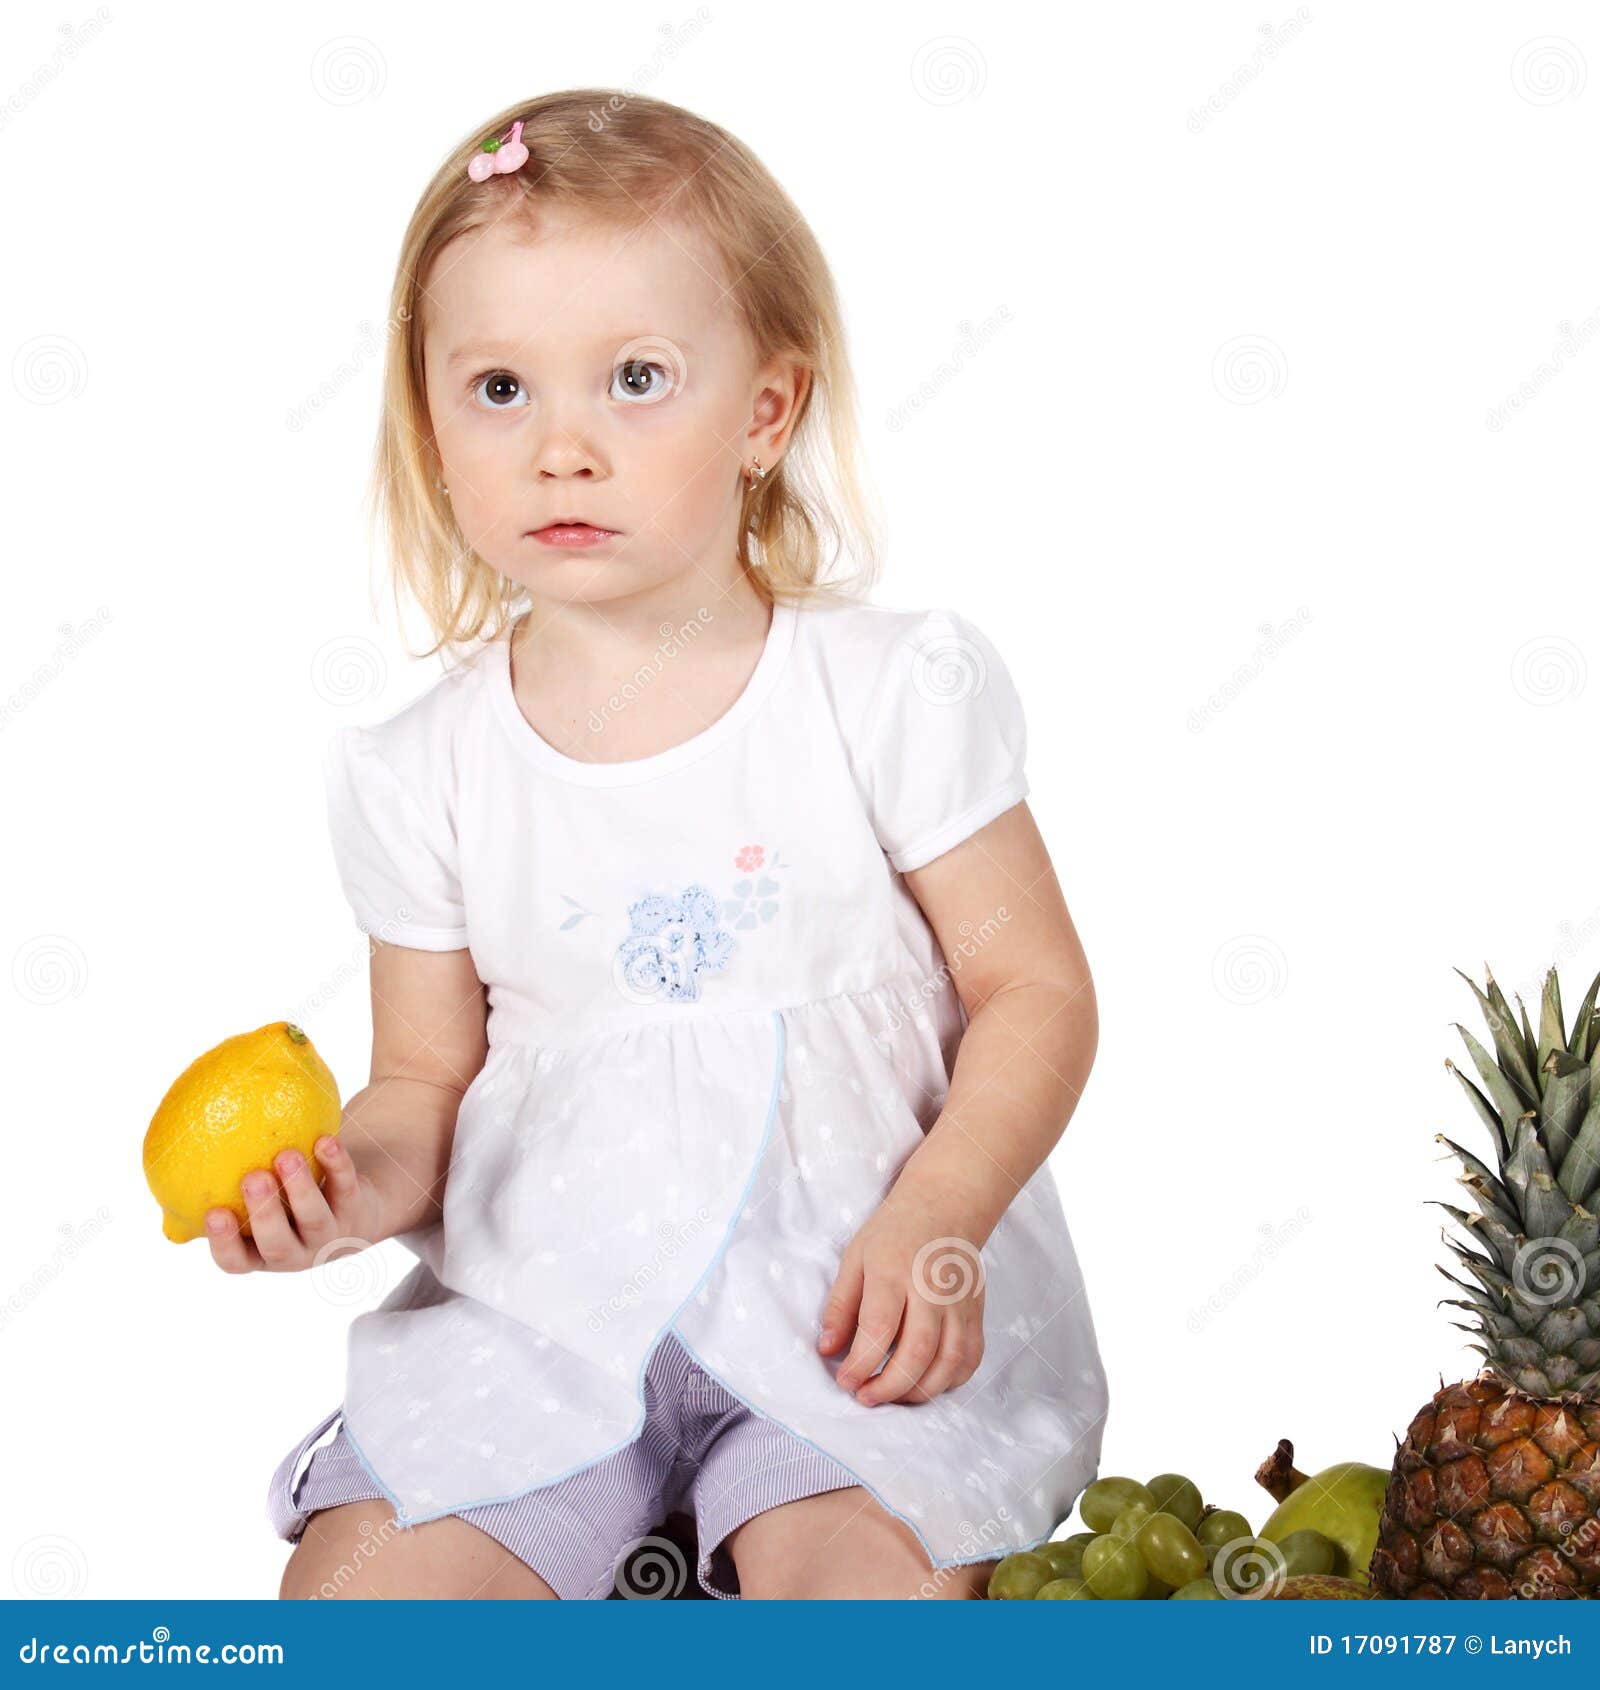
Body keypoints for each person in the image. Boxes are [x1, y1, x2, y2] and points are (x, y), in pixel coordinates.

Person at [209, 89, 1108, 1601]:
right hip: (547, 1332)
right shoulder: (422, 771)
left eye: (636, 380)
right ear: (430, 427)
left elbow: (1036, 990)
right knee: (357, 1608)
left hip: (847, 1327)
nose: (562, 448)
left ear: (766, 412)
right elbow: (424, 1085)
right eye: (500, 388)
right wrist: (345, 1181)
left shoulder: (884, 694)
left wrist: (940, 1215)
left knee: (853, 1599)